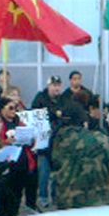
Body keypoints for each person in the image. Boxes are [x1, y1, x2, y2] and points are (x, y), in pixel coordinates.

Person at [52, 102, 109, 209]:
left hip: (66, 198)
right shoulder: (98, 138)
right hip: (97, 198)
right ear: (83, 121)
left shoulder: (57, 140)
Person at [32, 76, 66, 209]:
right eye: (54, 85)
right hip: (44, 141)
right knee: (44, 171)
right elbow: (35, 115)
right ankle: (43, 197)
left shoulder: (64, 99)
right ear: (48, 86)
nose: (56, 88)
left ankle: (56, 195)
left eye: (58, 85)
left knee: (58, 171)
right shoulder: (40, 98)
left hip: (59, 141)